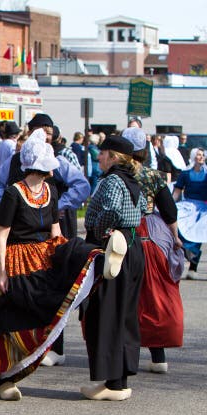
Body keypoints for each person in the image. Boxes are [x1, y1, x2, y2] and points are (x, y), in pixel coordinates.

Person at [0, 129, 110, 400]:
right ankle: (4, 378)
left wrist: (65, 259)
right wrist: (3, 273)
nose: (53, 169)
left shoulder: (51, 190)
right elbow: (2, 234)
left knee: (47, 310)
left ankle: (98, 258)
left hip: (42, 256)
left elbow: (55, 231)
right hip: (16, 259)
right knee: (0, 318)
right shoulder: (14, 193)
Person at [81, 135, 146, 401]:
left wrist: (98, 231)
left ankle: (113, 382)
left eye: (103, 153)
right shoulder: (133, 180)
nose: (99, 157)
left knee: (107, 312)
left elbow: (109, 210)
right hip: (132, 247)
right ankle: (119, 380)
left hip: (114, 248)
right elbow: (145, 209)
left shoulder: (112, 181)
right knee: (125, 313)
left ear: (113, 156)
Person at [121, 127, 184, 374]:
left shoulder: (116, 175)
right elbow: (169, 210)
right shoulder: (154, 176)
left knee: (125, 294)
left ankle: (126, 354)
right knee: (154, 294)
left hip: (124, 233)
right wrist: (175, 237)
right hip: (151, 235)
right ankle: (158, 356)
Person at [173, 147, 207, 280]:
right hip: (187, 206)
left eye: (202, 155)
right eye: (198, 155)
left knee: (198, 232)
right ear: (193, 156)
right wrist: (169, 205)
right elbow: (177, 192)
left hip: (202, 208)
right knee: (180, 227)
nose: (201, 157)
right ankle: (186, 251)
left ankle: (193, 267)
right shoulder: (185, 174)